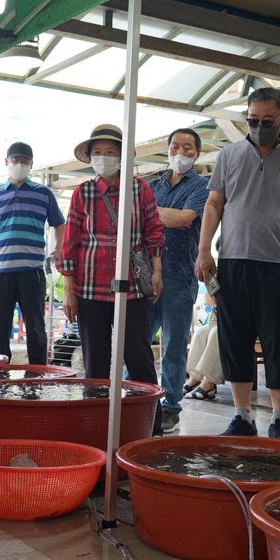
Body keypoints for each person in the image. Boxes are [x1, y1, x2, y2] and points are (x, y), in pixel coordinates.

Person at [196, 85, 280, 440]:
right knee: (234, 340)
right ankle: (242, 417)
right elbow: (214, 204)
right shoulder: (230, 155)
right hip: (232, 261)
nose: (259, 127)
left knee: (278, 341)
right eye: (252, 120)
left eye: (267, 121)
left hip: (277, 264)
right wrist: (204, 251)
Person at [59, 124, 165, 392]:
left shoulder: (140, 189)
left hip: (131, 288)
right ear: (90, 157)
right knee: (95, 363)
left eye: (110, 151)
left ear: (122, 156)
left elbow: (154, 232)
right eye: (97, 152)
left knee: (139, 359)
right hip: (90, 289)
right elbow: (70, 243)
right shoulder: (83, 192)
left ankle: (147, 416)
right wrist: (69, 292)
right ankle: (96, 414)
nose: (103, 157)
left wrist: (157, 271)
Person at [0, 141, 65, 364]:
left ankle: (37, 376)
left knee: (36, 328)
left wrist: (60, 247)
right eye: (15, 160)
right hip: (0, 271)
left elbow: (59, 223)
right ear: (6, 161)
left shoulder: (43, 193)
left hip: (32, 271)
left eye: (25, 161)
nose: (20, 164)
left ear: (31, 164)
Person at [149, 127, 210, 433]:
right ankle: (138, 399)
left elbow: (184, 219)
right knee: (137, 343)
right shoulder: (153, 185)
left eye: (188, 148)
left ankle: (170, 408)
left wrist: (146, 212)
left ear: (197, 153)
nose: (180, 152)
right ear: (168, 150)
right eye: (175, 146)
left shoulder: (203, 186)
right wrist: (159, 215)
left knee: (173, 347)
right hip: (146, 275)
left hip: (180, 275)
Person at [184, 291, 222, 400]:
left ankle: (209, 383)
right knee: (200, 333)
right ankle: (195, 379)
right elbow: (208, 296)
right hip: (217, 319)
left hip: (237, 323)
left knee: (216, 333)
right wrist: (215, 305)